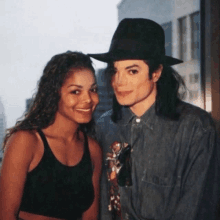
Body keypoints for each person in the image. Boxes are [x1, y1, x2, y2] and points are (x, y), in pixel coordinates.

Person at [88, 18, 219, 220]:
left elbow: (198, 209)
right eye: (115, 70)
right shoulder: (104, 127)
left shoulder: (196, 128)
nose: (119, 81)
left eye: (132, 71)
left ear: (156, 72)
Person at [0, 51, 102, 220]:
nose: (88, 99)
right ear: (54, 94)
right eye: (75, 91)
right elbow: (5, 215)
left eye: (93, 90)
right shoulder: (26, 142)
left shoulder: (93, 150)